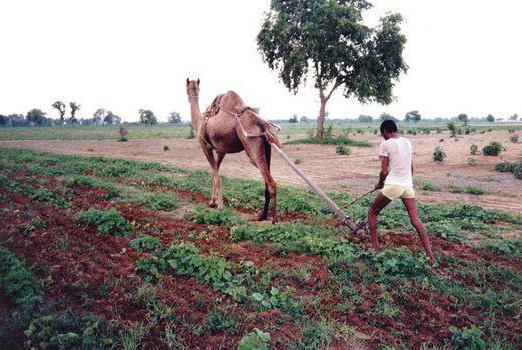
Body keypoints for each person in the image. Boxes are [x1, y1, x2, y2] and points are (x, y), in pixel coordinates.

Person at [368, 120, 435, 263]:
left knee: (372, 212)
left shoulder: (385, 144)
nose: (383, 137)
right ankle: (431, 256)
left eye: (382, 134)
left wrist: (380, 184)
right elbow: (411, 168)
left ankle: (374, 248)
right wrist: (407, 182)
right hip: (408, 186)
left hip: (393, 185)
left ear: (385, 131)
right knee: (416, 221)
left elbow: (384, 171)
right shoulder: (407, 142)